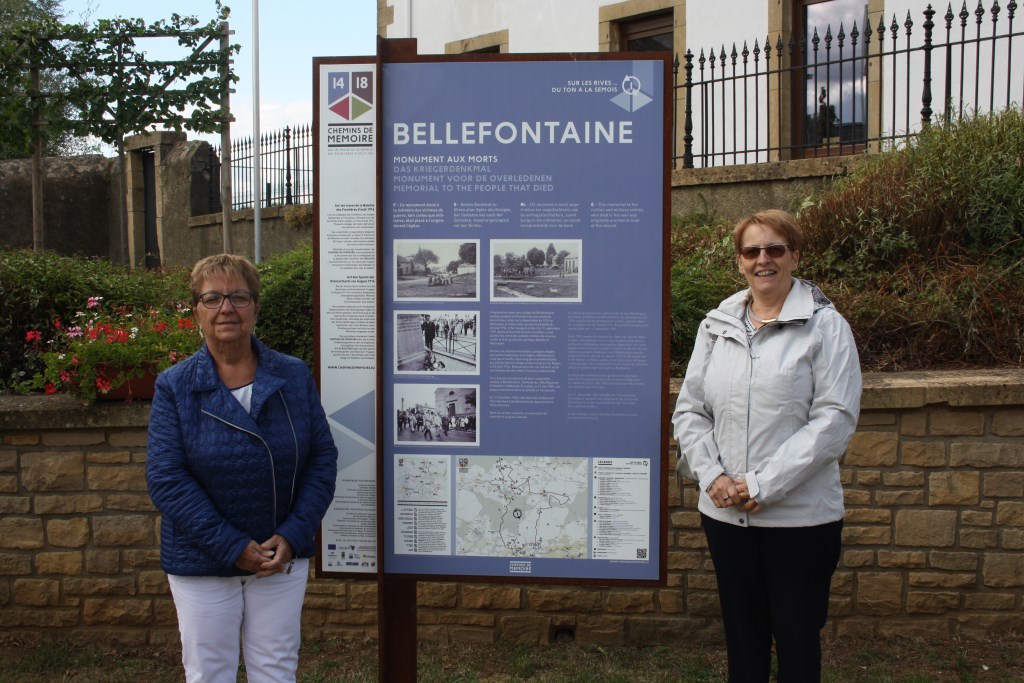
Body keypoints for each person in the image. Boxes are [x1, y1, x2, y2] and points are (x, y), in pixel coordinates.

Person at [671, 209, 862, 683]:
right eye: (752, 250)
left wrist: (761, 483)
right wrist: (712, 477)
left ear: (794, 255)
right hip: (725, 516)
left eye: (775, 249)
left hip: (800, 521)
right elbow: (691, 410)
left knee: (797, 639)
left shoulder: (826, 327)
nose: (763, 260)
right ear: (739, 261)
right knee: (743, 637)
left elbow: (834, 420)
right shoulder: (716, 326)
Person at [146, 254, 338, 683]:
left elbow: (321, 459)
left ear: (255, 307)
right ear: (196, 310)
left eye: (238, 296)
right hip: (202, 560)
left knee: (276, 669)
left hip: (278, 557)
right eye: (212, 298)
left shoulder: (292, 374)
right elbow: (166, 479)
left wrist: (292, 534)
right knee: (209, 672)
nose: (226, 308)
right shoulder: (174, 386)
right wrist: (232, 546)